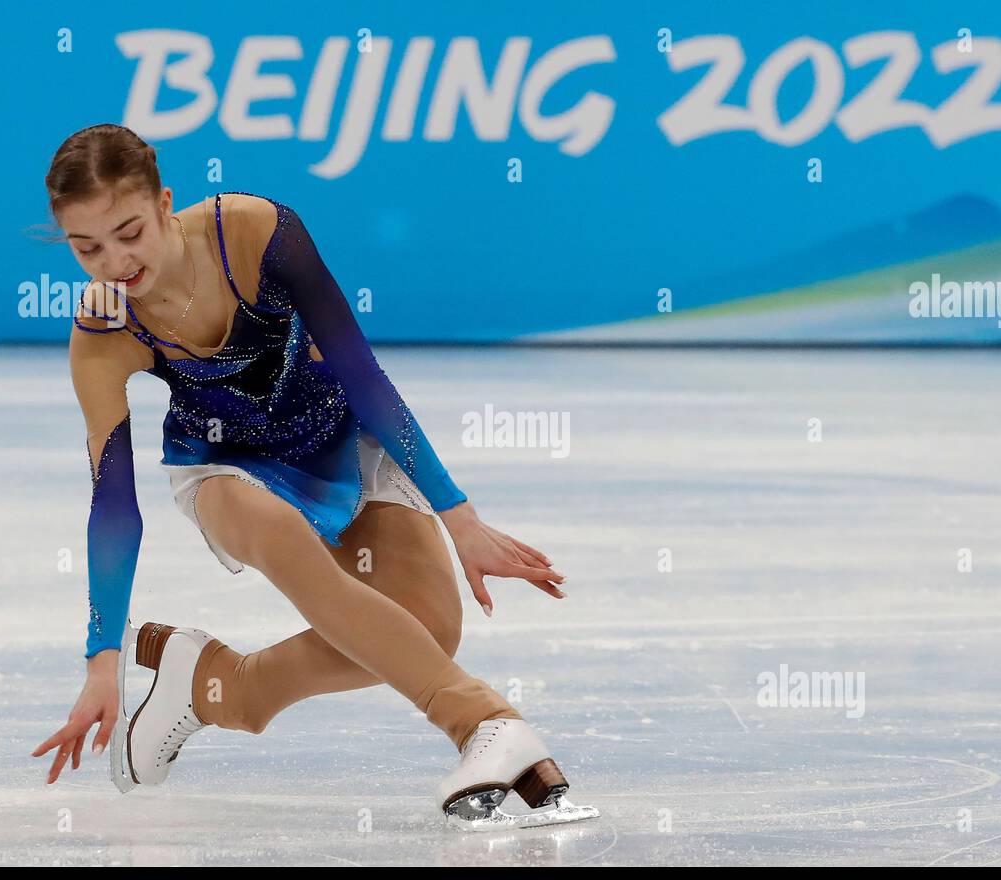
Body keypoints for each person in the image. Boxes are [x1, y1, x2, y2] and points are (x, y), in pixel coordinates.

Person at [29, 124, 598, 830]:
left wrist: (460, 517)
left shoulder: (256, 232)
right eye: (88, 249)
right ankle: (481, 722)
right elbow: (114, 507)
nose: (115, 262)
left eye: (129, 232)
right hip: (223, 467)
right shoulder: (103, 333)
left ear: (164, 201)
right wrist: (100, 658)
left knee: (429, 627)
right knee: (275, 528)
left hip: (340, 439)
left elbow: (360, 372)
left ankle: (215, 687)